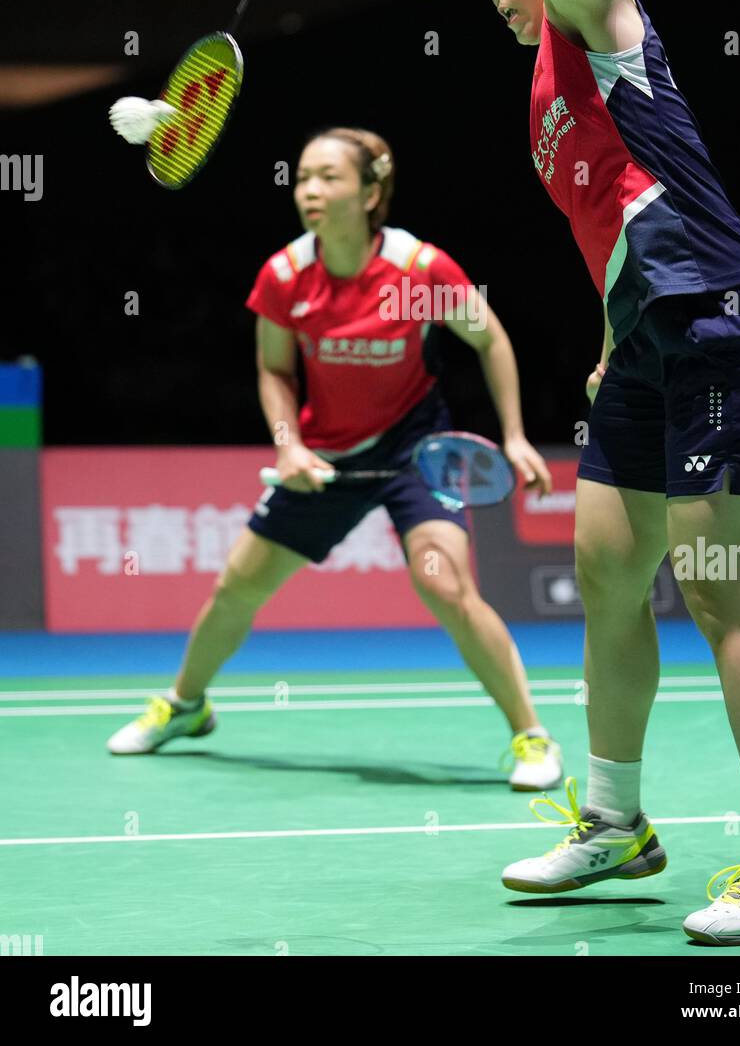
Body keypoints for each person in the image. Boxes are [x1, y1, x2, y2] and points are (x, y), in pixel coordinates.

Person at [296, 0, 740, 946]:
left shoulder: (603, 16)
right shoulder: (543, 90)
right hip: (647, 343)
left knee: (720, 591)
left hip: (726, 334)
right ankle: (614, 821)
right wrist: (605, 342)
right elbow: (615, 221)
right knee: (604, 574)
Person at [108, 126, 562, 794]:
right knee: (237, 588)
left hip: (415, 454)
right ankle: (185, 706)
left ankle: (530, 734)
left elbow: (489, 340)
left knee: (445, 585)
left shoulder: (416, 272)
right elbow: (273, 370)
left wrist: (516, 434)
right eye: (301, 178)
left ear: (371, 192)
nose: (310, 191)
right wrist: (288, 443)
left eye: (328, 177)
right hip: (324, 458)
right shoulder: (288, 276)